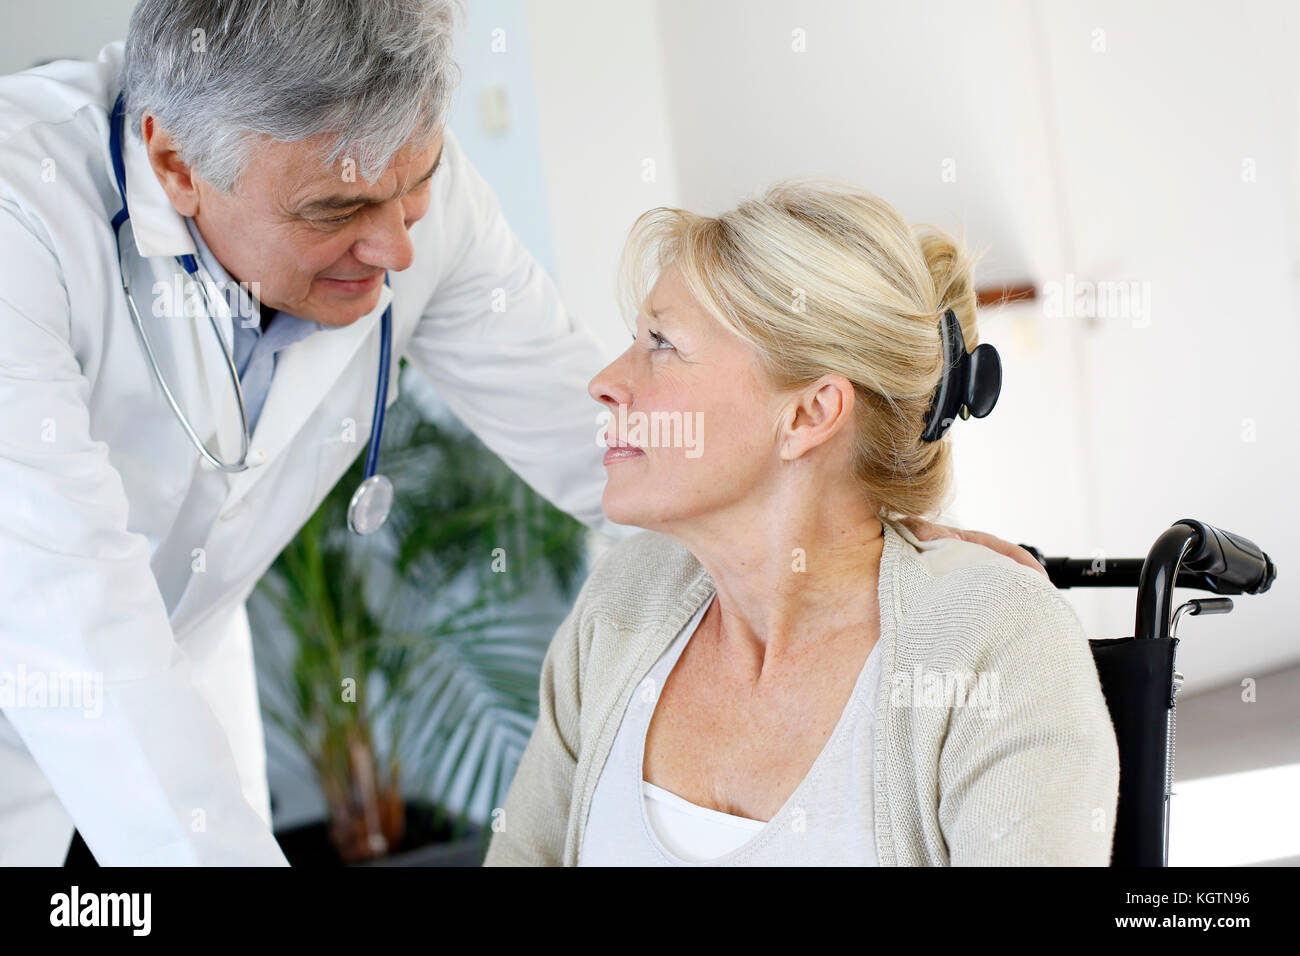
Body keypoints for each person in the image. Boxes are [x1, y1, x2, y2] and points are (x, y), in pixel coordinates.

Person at [0, 0, 1049, 866]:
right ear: (174, 163)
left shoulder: (412, 207)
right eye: (336, 210)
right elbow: (72, 609)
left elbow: (600, 441)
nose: (399, 245)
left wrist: (874, 546)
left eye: (416, 183)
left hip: (176, 665)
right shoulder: (24, 222)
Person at [483, 179, 1121, 866]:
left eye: (662, 343)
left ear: (809, 414)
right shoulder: (623, 605)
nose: (604, 379)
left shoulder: (994, 642)